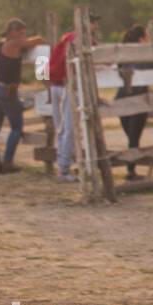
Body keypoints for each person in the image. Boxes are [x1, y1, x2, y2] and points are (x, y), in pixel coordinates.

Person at [47, 12, 100, 182]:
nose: (95, 26)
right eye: (94, 23)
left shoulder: (66, 37)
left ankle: (62, 164)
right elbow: (90, 60)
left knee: (61, 128)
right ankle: (63, 169)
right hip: (67, 86)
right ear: (88, 24)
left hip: (56, 85)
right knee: (71, 128)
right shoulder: (80, 40)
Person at [0, 18, 48, 174]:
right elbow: (38, 40)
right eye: (22, 33)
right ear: (13, 32)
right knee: (16, 127)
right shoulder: (14, 43)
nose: (24, 36)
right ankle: (8, 162)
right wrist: (35, 39)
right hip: (8, 90)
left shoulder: (0, 44)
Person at [116, 24, 153, 181]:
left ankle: (131, 167)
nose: (148, 40)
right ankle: (131, 171)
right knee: (133, 138)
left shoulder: (124, 56)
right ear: (141, 39)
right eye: (147, 37)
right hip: (137, 100)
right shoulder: (144, 57)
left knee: (132, 138)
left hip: (120, 100)